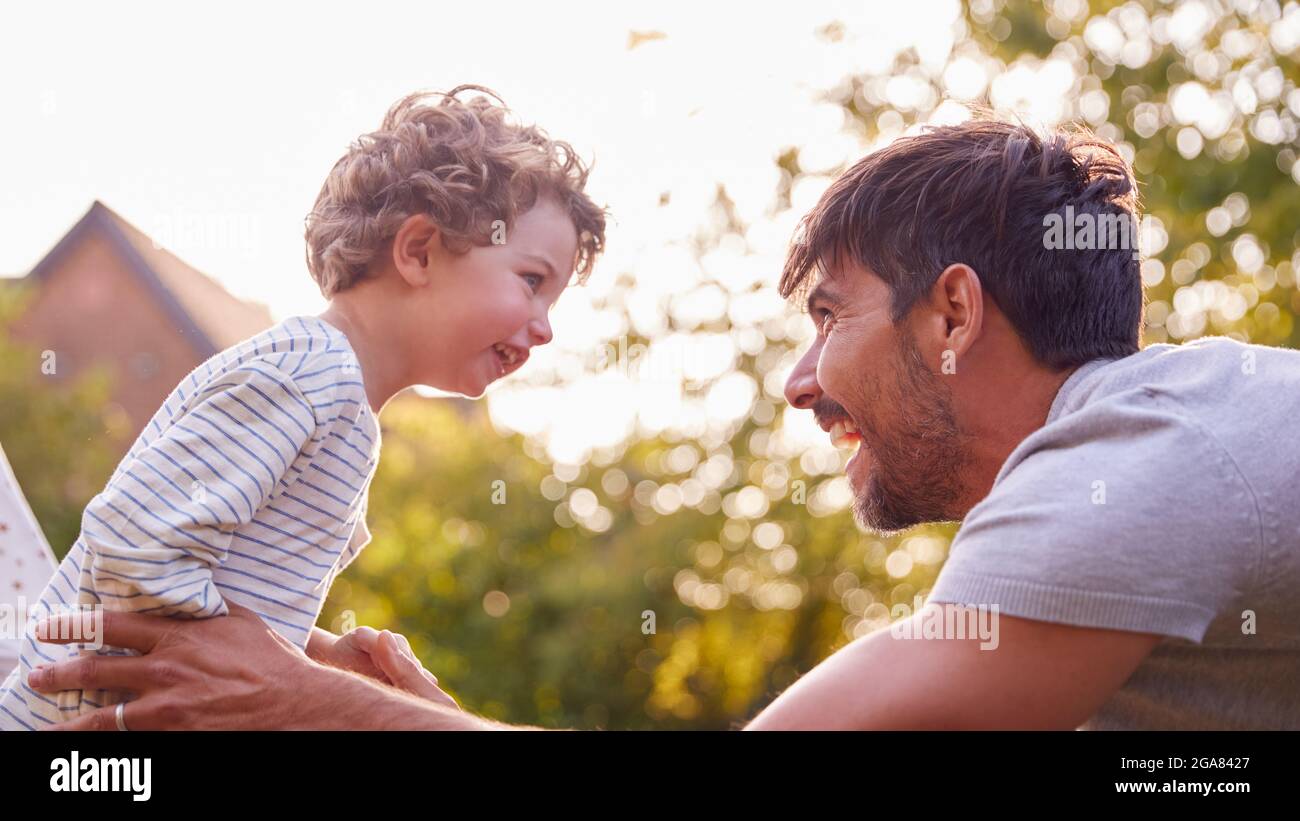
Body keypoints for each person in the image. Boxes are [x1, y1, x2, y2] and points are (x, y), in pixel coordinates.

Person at [27, 113, 1300, 730]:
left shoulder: (1133, 480)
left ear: (951, 312)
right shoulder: (1143, 462)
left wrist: (329, 710)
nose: (799, 381)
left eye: (826, 313)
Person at [1, 85, 605, 730]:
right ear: (419, 251)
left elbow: (229, 594)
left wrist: (308, 657)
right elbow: (132, 542)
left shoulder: (343, 407)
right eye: (532, 282)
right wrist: (258, 671)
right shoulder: (309, 378)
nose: (544, 329)